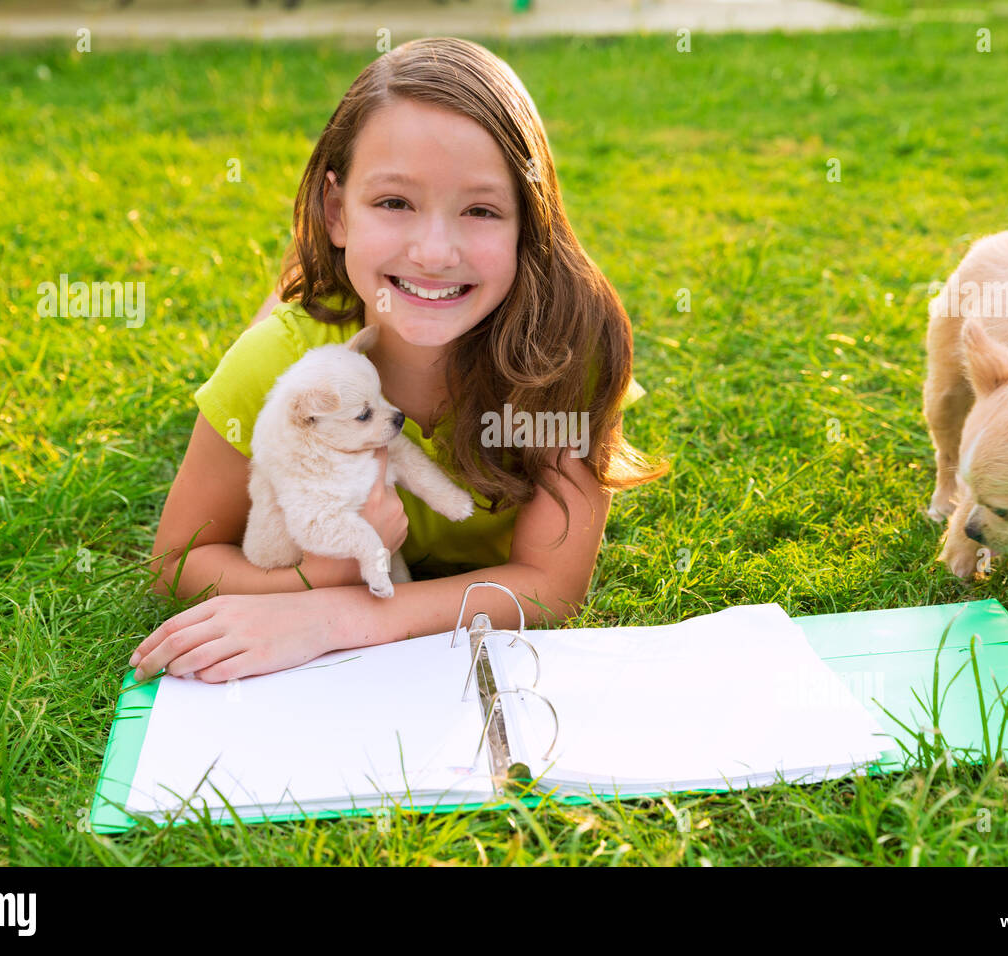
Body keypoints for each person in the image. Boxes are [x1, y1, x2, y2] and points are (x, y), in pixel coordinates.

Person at [131, 37, 667, 683]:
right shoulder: (280, 368)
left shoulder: (565, 356)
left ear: (529, 223)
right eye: (394, 202)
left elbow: (550, 585)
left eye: (481, 210)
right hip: (310, 345)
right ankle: (303, 280)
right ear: (335, 210)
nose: (436, 251)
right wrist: (322, 571)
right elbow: (175, 566)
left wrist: (335, 617)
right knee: (286, 331)